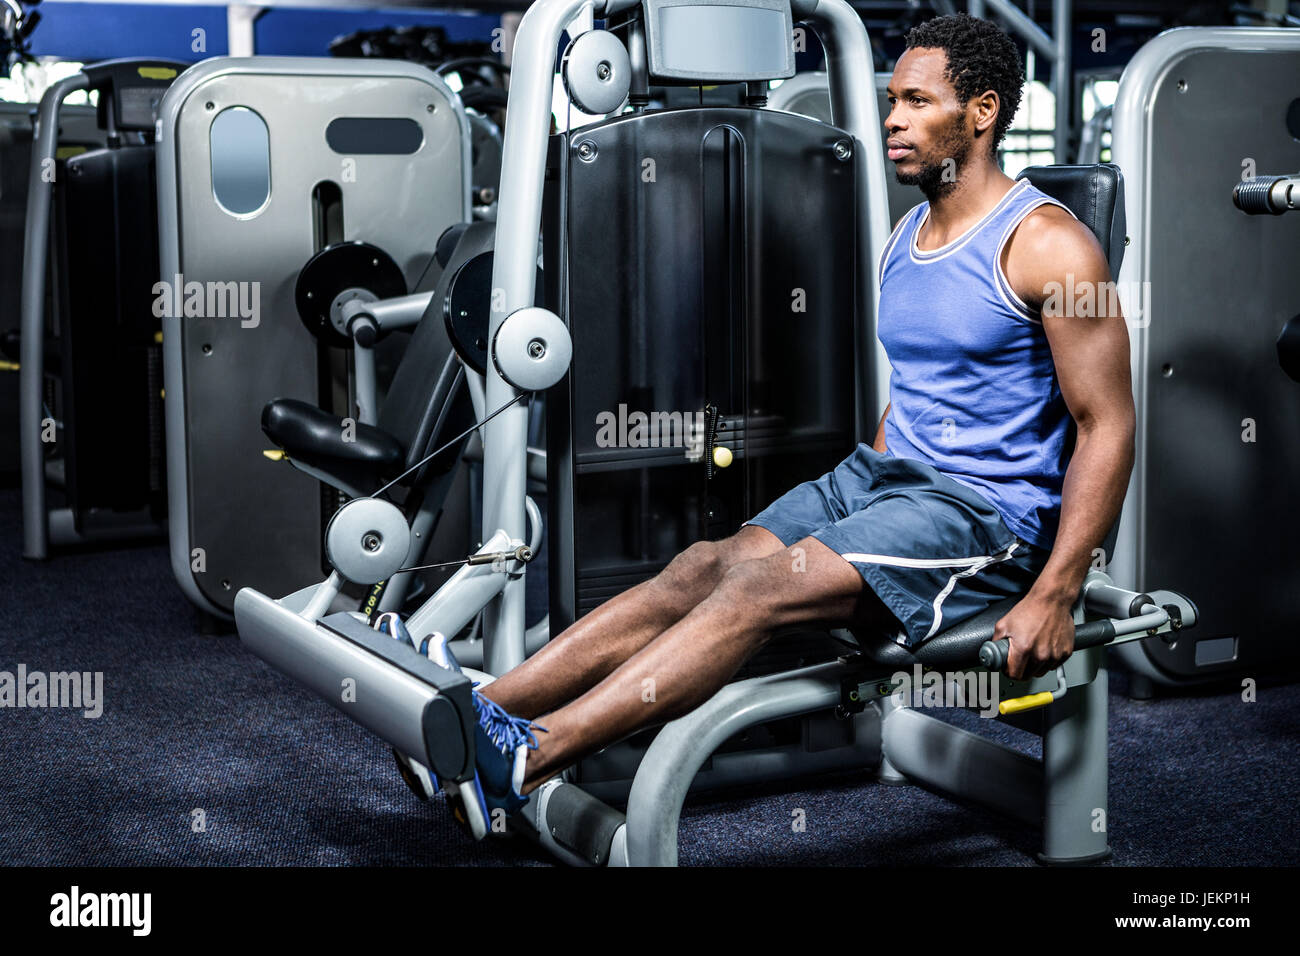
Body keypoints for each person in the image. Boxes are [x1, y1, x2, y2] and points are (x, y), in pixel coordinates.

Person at [420, 11, 1136, 834]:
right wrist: (871, 484)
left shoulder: (1049, 246)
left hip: (982, 514)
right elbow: (920, 389)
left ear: (980, 112)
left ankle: (526, 756)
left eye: (916, 102)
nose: (893, 119)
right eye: (891, 100)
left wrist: (1057, 589)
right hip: (887, 482)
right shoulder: (911, 231)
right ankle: (479, 708)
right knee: (699, 566)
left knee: (760, 588)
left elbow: (1106, 424)